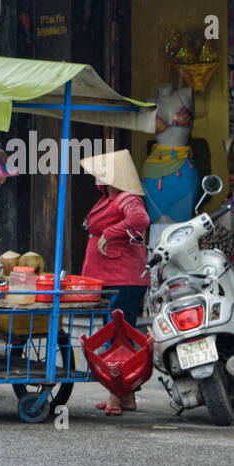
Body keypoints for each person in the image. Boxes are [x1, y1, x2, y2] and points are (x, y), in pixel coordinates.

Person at [79, 149, 150, 416]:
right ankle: (126, 395)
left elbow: (140, 219)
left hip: (124, 278)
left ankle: (115, 395)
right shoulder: (107, 199)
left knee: (117, 337)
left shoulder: (128, 198)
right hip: (109, 277)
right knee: (117, 334)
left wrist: (110, 232)